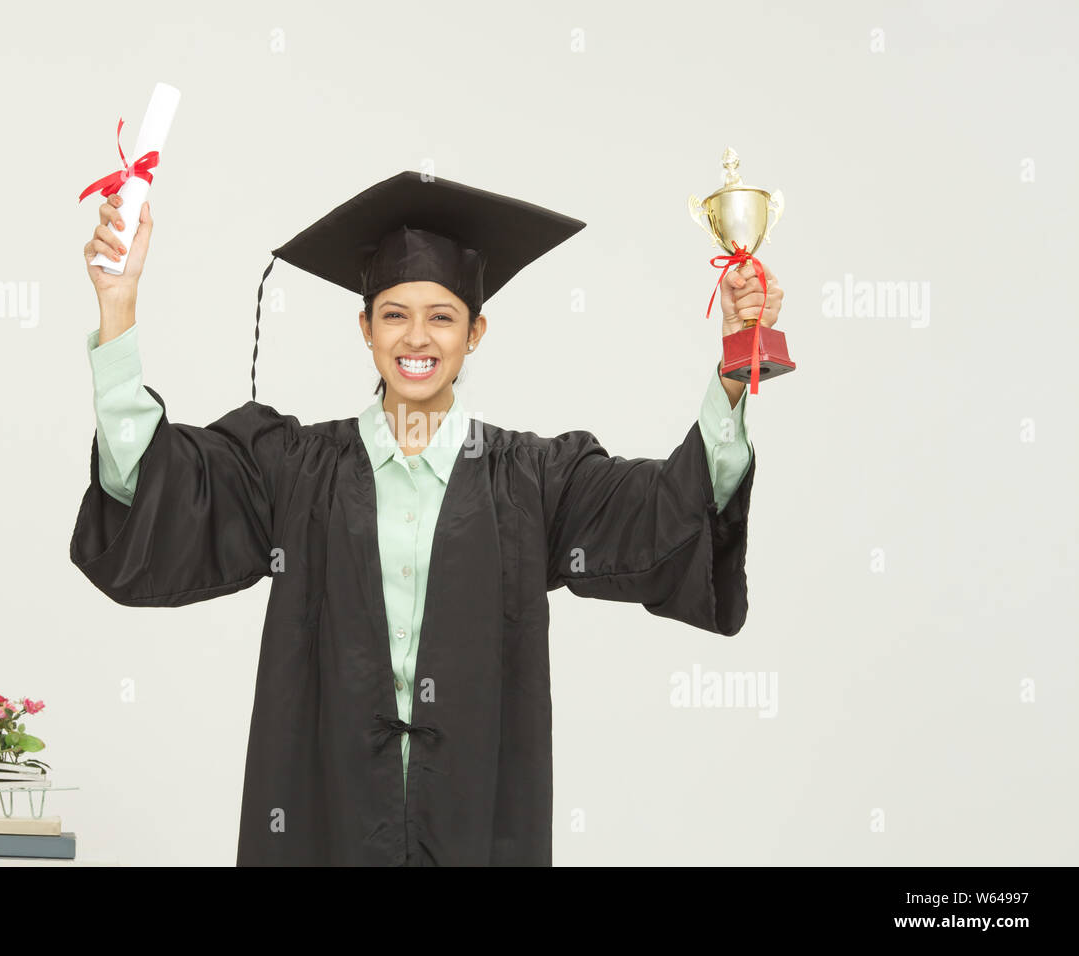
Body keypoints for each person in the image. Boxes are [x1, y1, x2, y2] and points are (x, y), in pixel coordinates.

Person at [71, 172, 779, 866]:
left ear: (475, 332)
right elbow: (156, 486)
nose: (418, 338)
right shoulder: (293, 468)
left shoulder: (533, 480)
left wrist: (733, 367)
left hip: (476, 817)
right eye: (394, 314)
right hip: (324, 817)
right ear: (366, 328)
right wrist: (118, 304)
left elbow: (668, 512)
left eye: (442, 316)